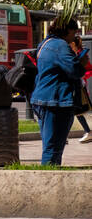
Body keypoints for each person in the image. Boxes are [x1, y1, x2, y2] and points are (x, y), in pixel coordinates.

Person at [30, 18, 90, 166]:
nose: (75, 36)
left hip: (43, 98)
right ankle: (48, 177)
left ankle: (50, 172)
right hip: (56, 101)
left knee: (51, 144)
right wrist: (82, 62)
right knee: (54, 146)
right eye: (74, 32)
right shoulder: (61, 46)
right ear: (67, 30)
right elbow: (74, 70)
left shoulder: (44, 43)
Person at [69, 33, 92, 144]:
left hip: (79, 86)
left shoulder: (80, 55)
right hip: (75, 85)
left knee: (76, 111)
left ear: (73, 44)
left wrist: (82, 75)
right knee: (75, 111)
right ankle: (88, 131)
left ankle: (88, 131)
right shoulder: (73, 54)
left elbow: (89, 70)